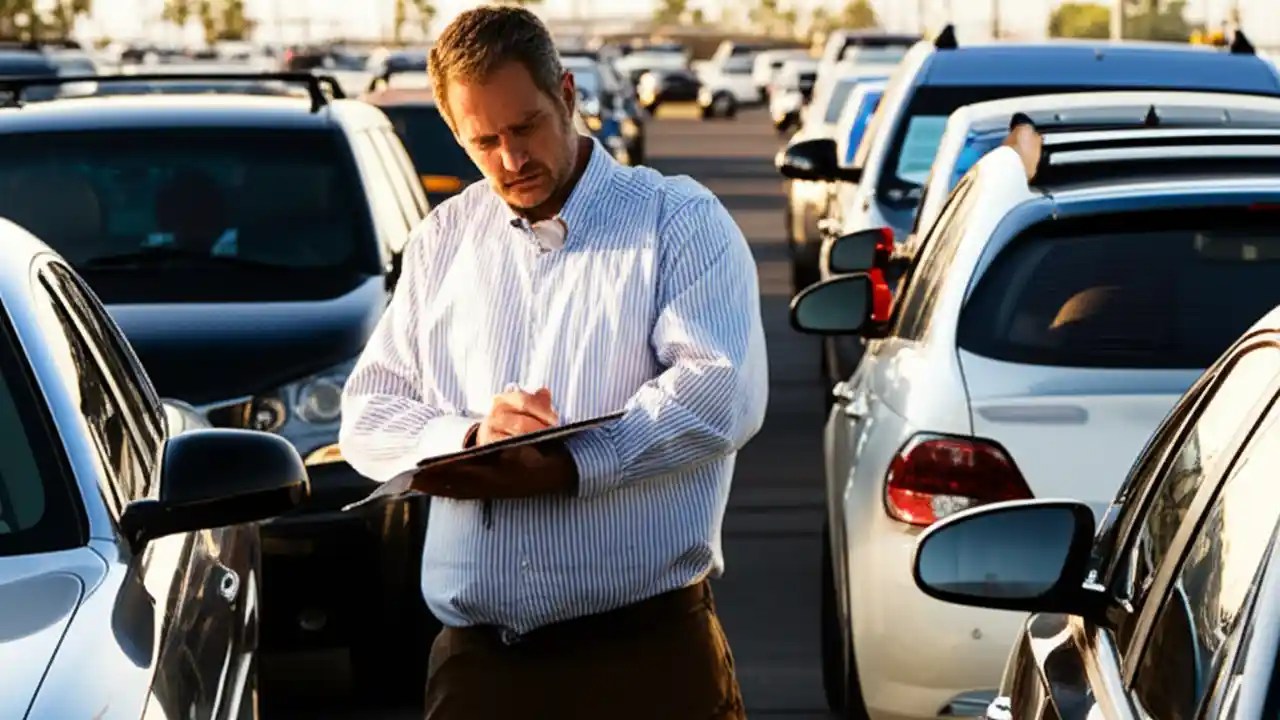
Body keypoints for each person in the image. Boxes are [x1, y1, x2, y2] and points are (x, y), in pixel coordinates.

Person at [337, 6, 768, 720]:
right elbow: (369, 411)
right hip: (480, 671)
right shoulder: (443, 240)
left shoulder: (677, 221)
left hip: (648, 659)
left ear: (567, 93)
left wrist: (570, 464)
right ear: (455, 132)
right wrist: (473, 441)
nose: (511, 158)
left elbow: (718, 393)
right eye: (484, 141)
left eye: (527, 126)